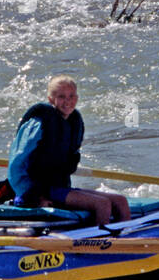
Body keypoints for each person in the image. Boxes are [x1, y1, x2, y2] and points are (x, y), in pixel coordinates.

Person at [8, 76, 130, 227]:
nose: (67, 101)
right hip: (38, 192)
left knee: (121, 201)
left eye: (71, 96)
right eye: (61, 97)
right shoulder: (38, 124)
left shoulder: (73, 122)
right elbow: (15, 166)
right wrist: (36, 198)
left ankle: (126, 235)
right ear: (51, 99)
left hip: (60, 188)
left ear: (77, 98)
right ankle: (99, 239)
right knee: (102, 204)